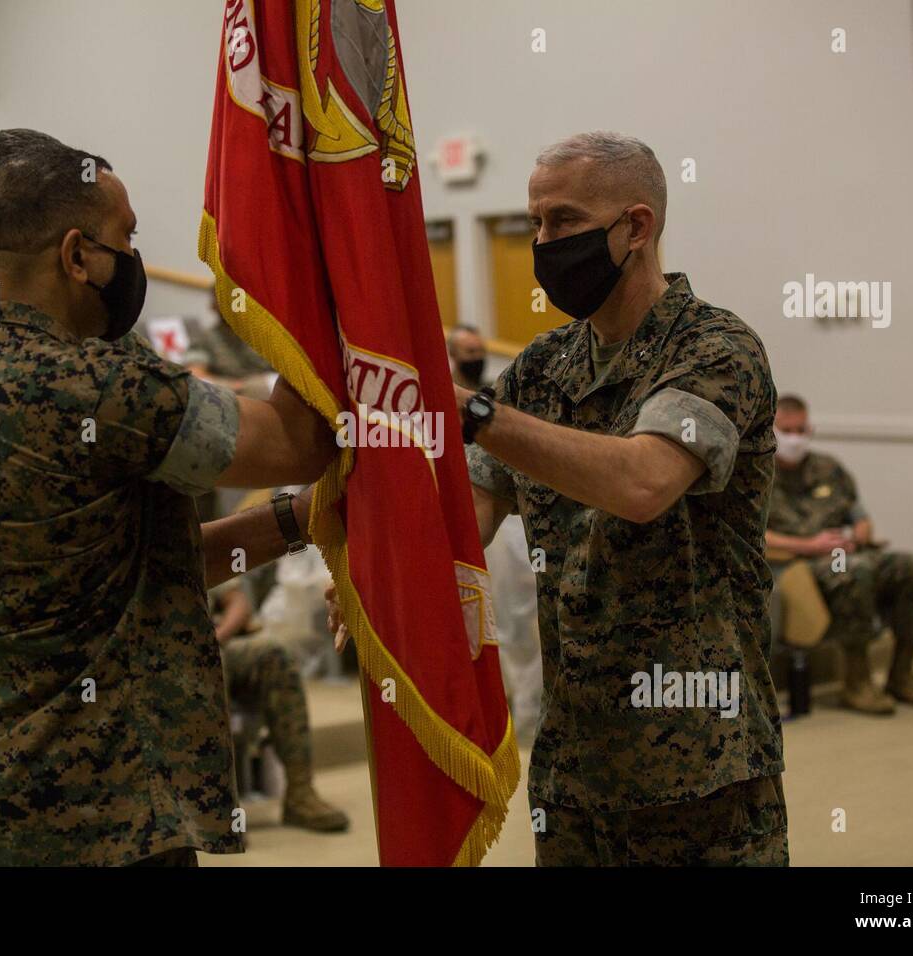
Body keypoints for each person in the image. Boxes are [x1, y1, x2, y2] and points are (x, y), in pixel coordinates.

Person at [0, 135, 333, 867]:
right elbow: (302, 443)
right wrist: (310, 263)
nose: (136, 260)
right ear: (77, 255)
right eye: (130, 239)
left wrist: (296, 523)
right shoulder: (98, 387)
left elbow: (123, 574)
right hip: (99, 823)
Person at [333, 131, 786, 866]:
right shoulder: (541, 370)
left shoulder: (716, 348)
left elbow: (643, 482)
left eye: (565, 221)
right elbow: (466, 521)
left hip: (701, 768)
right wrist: (381, 577)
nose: (545, 242)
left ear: (636, 227)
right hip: (576, 767)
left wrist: (474, 414)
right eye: (536, 223)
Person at [765, 394, 913, 713]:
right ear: (770, 429)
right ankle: (857, 681)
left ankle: (902, 672)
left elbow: (861, 519)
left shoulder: (828, 468)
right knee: (853, 571)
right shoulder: (757, 473)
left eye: (801, 429)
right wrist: (810, 545)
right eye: (786, 430)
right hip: (797, 561)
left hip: (847, 551)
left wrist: (856, 535)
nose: (795, 437)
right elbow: (753, 534)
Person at [210, 578, 349, 832]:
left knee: (275, 654)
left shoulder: (195, 542)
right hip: (170, 653)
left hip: (215, 642)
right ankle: (219, 808)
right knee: (208, 665)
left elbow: (239, 602)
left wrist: (218, 636)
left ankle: (300, 793)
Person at [447, 324, 488, 390]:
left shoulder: (491, 392)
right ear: (453, 353)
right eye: (471, 351)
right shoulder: (444, 389)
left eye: (481, 351)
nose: (477, 356)